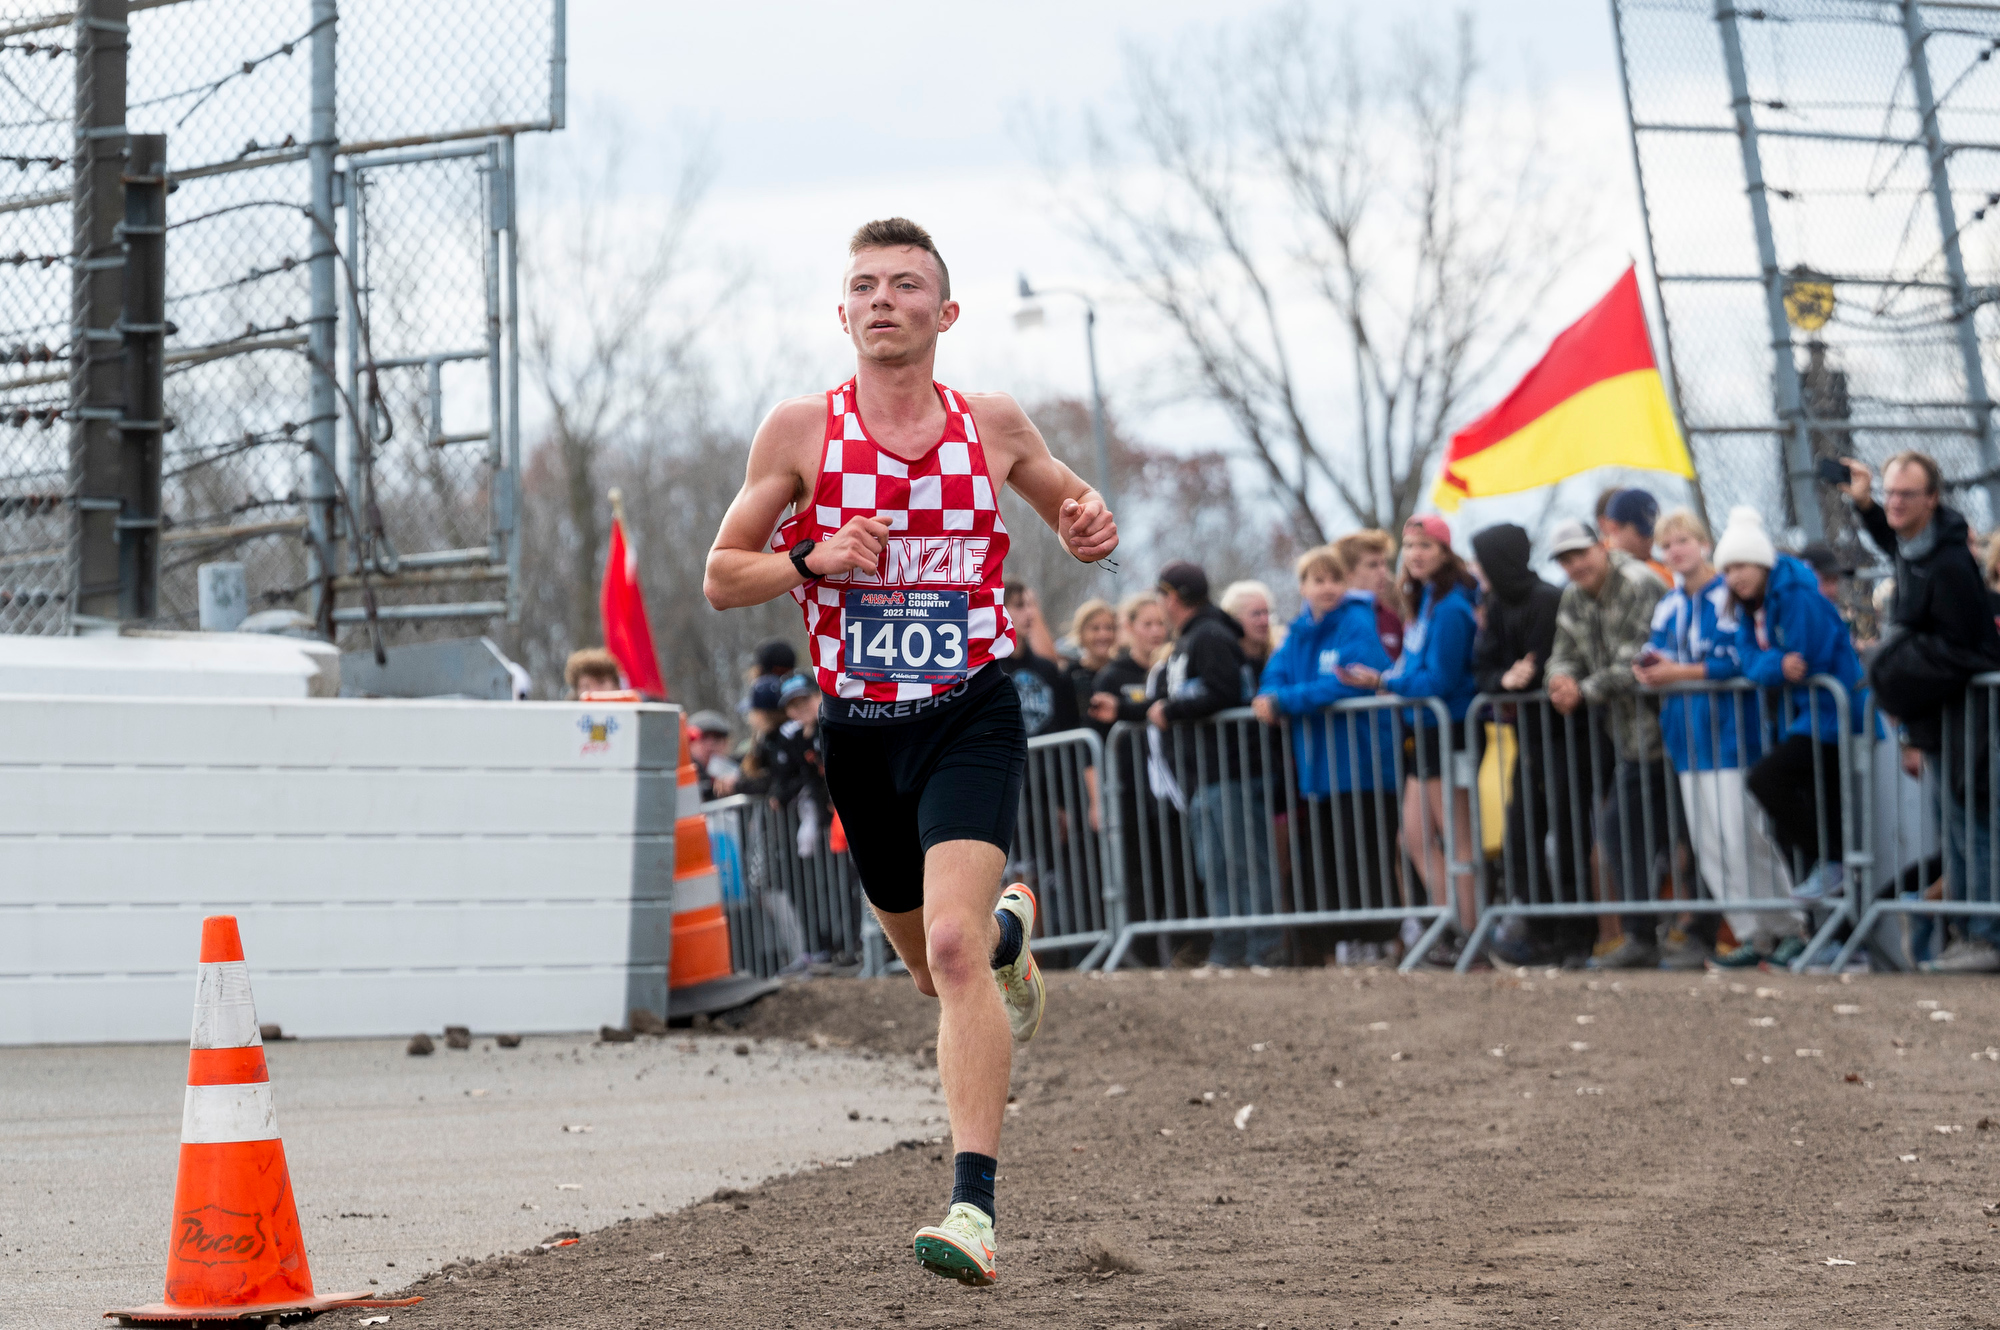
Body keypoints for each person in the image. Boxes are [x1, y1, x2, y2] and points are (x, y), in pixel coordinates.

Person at [701, 216, 1119, 1283]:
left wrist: (1083, 524)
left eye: (905, 284)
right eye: (864, 286)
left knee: (946, 946)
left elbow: (1070, 506)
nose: (883, 298)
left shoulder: (989, 422)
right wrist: (812, 556)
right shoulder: (798, 432)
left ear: (945, 311)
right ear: (842, 313)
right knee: (943, 977)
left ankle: (972, 1212)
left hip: (967, 711)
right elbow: (721, 574)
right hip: (858, 735)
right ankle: (1010, 938)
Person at [1841, 453, 2000, 972]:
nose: (1896, 503)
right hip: (1943, 719)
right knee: (1953, 828)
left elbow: (1969, 651)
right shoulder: (1921, 547)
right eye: (1891, 493)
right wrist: (1864, 504)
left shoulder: (1950, 565)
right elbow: (1893, 542)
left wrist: (1896, 662)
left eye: (1907, 494)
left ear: (1933, 499)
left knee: (1973, 823)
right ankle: (1966, 931)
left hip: (1970, 719)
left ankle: (1985, 935)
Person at [1634, 509, 1797, 966]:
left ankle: (1788, 926)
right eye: (1667, 545)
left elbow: (1736, 661)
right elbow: (1658, 652)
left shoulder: (1728, 595)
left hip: (1730, 735)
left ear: (1705, 543)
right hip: (1686, 740)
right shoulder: (1668, 603)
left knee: (1744, 835)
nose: (1676, 551)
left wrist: (1676, 673)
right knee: (1709, 845)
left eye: (1683, 540)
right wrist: (1647, 668)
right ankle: (1752, 933)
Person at [1712, 507, 1868, 920]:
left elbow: (1808, 657)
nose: (1735, 577)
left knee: (1768, 780)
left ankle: (1833, 865)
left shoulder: (1797, 593)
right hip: (1799, 718)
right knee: (1803, 817)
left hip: (1830, 717)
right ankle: (1830, 929)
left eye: (1742, 565)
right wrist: (1775, 666)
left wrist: (1776, 665)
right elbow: (1751, 660)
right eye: (1727, 569)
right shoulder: (1752, 605)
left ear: (1762, 562)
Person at [1340, 515, 1480, 957]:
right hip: (1424, 731)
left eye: (1426, 546)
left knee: (1457, 839)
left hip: (1449, 729)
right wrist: (1389, 678)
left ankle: (1470, 935)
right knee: (1415, 838)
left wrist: (1385, 682)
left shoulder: (1454, 607)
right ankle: (1448, 924)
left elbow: (1437, 680)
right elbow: (1413, 669)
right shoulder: (1426, 602)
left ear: (1444, 553)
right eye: (1411, 546)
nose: (1416, 555)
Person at [1253, 545, 1399, 961]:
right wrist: (1269, 697)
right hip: (1319, 773)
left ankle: (1378, 941)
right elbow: (1273, 677)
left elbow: (1349, 681)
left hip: (1367, 765)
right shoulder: (1298, 632)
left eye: (1335, 579)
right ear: (1302, 587)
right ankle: (1342, 943)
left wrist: (1284, 702)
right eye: (1318, 580)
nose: (1328, 587)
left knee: (1368, 858)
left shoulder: (1357, 621)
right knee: (1331, 862)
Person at [1545, 518, 1673, 969]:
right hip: (1632, 739)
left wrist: (1582, 690)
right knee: (1625, 831)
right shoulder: (1575, 596)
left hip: (1673, 732)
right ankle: (1646, 936)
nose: (1574, 565)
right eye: (1564, 559)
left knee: (1686, 835)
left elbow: (1636, 660)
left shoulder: (1639, 582)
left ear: (1602, 545)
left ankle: (1686, 935)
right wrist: (1558, 679)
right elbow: (1563, 650)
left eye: (1580, 553)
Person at [1470, 522, 1599, 969]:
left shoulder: (1547, 598)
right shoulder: (1494, 603)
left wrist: (1531, 677)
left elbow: (1556, 659)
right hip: (1529, 739)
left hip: (1568, 737)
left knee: (1568, 837)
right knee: (1519, 837)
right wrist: (1506, 680)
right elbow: (1483, 667)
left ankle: (1576, 936)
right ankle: (1542, 932)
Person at [1147, 559, 1277, 968]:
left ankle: (1264, 948)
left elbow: (1222, 691)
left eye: (1164, 596)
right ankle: (1229, 950)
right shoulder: (1192, 638)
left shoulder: (1211, 636)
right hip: (1203, 775)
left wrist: (1173, 709)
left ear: (1173, 597)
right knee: (1216, 868)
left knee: (1245, 865)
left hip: (1230, 771)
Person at [1089, 591, 1179, 966]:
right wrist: (1097, 801)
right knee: (1138, 876)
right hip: (1127, 792)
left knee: (1174, 872)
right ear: (1130, 629)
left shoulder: (1171, 669)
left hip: (1171, 792)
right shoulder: (1113, 675)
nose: (1156, 631)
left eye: (1161, 623)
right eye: (1148, 624)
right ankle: (1144, 959)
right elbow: (1092, 740)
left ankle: (1179, 948)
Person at [998, 582, 1081, 740]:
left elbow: (1067, 723)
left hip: (1048, 761)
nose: (1029, 613)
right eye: (1019, 606)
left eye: (1030, 605)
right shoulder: (991, 670)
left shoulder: (1046, 668)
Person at [1335, 529, 1405, 660]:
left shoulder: (1390, 617)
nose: (1383, 571)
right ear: (1347, 572)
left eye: (1384, 563)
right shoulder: (1329, 617)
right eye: (1373, 565)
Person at [1599, 487, 1672, 587]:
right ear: (1614, 527)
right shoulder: (1595, 571)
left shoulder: (1664, 571)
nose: (1649, 540)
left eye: (1653, 534)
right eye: (1642, 533)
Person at [1220, 579, 1282, 688]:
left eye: (1266, 612)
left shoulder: (1279, 654)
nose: (1265, 621)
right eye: (1256, 614)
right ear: (1235, 620)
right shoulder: (1225, 662)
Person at [1063, 598, 1117, 720]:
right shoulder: (1071, 673)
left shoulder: (1121, 669)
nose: (1103, 635)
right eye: (1095, 628)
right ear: (1081, 633)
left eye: (1108, 628)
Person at [687, 709, 741, 801]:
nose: (710, 744)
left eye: (717, 738)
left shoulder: (739, 769)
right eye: (703, 737)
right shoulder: (682, 774)